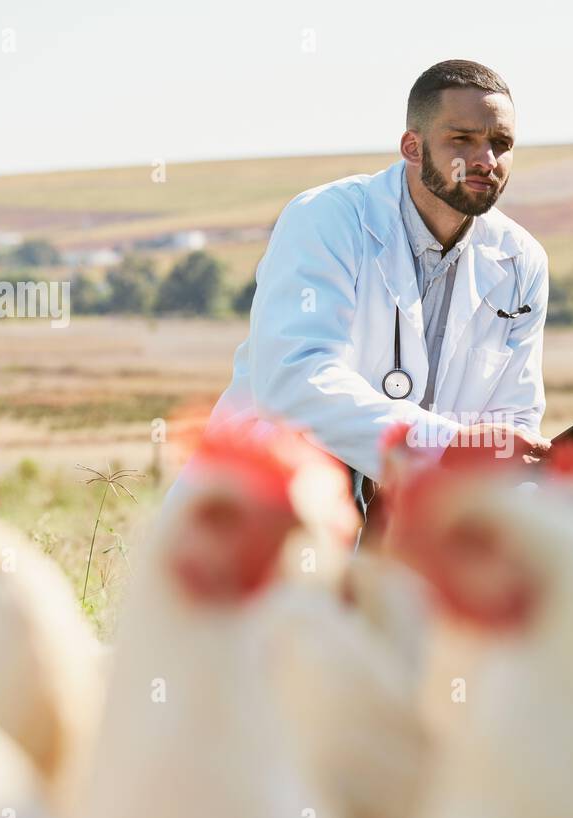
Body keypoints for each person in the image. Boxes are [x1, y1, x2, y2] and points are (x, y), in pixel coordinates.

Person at [186, 59, 552, 529]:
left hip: (415, 523)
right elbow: (295, 383)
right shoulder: (326, 218)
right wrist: (449, 448)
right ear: (412, 147)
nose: (485, 160)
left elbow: (514, 415)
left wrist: (532, 465)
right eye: (462, 139)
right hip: (276, 509)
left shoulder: (521, 259)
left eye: (501, 144)